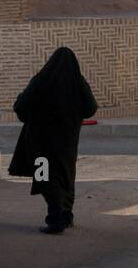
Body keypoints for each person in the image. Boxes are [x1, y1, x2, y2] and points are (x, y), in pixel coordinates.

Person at [7, 46, 97, 234]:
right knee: (65, 176)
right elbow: (90, 109)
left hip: (40, 143)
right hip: (67, 143)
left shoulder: (41, 80)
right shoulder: (78, 83)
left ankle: (55, 219)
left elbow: (22, 107)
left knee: (44, 177)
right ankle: (66, 216)